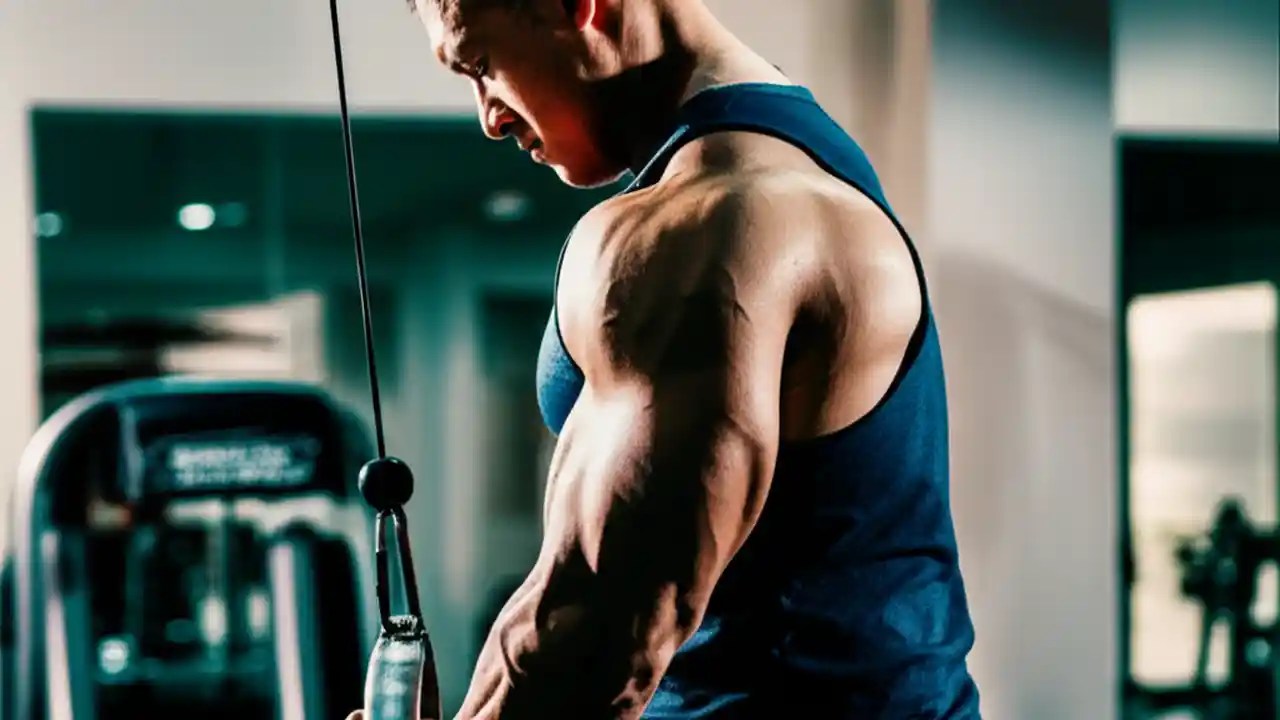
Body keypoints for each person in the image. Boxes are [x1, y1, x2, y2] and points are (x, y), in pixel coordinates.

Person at [354, 0, 980, 717]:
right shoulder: (799, 162)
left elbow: (598, 638)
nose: (488, 117)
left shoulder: (712, 223)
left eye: (481, 65)